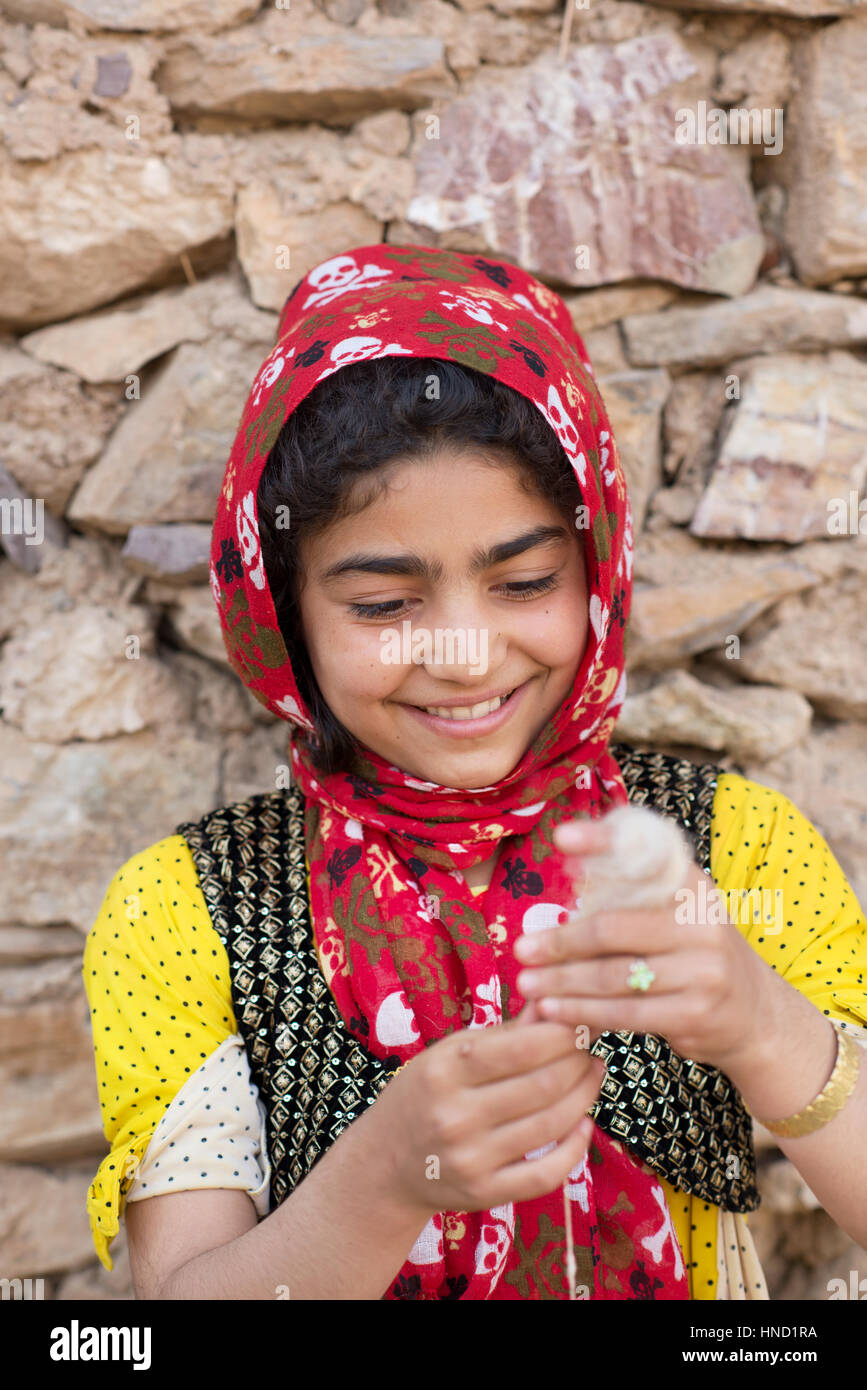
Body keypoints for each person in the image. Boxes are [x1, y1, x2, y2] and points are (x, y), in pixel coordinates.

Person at [82, 243, 867, 1301]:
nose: (463, 652)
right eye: (383, 603)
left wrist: (759, 1023)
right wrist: (387, 1174)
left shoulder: (730, 851)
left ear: (596, 571)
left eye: (524, 580)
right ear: (282, 612)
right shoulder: (192, 914)